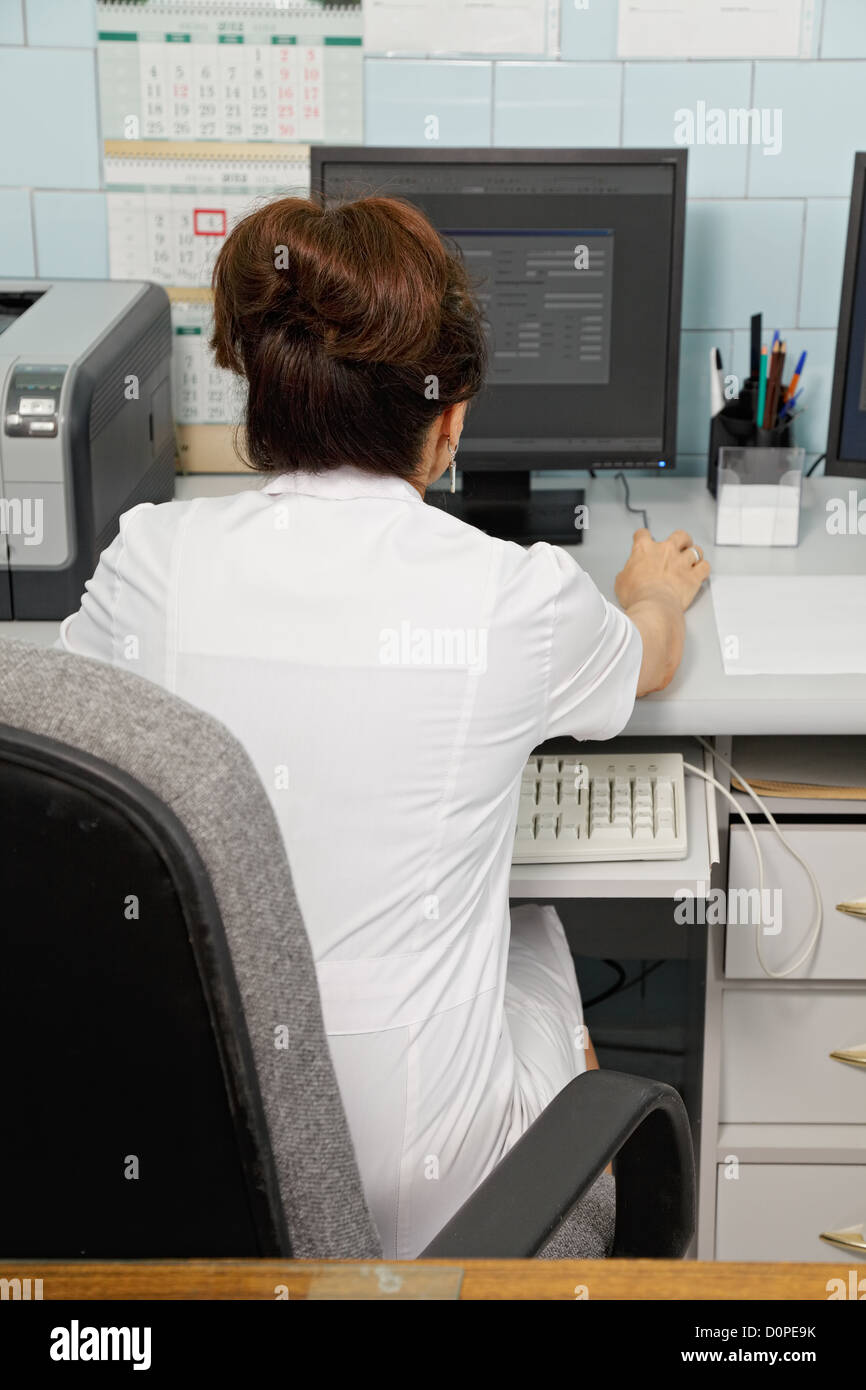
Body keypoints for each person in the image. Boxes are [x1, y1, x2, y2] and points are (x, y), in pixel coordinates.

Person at [59, 195, 709, 1257]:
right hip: (440, 1215)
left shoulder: (150, 566)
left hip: (194, 1176)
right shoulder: (513, 599)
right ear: (447, 422)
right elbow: (648, 662)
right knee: (532, 927)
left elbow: (80, 744)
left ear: (260, 402)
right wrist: (656, 591)